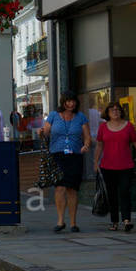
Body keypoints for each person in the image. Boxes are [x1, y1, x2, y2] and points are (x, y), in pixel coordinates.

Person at [41, 91, 93, 232]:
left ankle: (73, 223)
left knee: (72, 189)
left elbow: (87, 136)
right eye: (68, 101)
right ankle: (60, 221)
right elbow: (46, 133)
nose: (71, 104)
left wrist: (86, 145)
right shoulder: (53, 116)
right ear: (63, 102)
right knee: (60, 188)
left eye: (73, 101)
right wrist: (43, 132)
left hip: (75, 156)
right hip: (57, 156)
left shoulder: (80, 117)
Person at [96, 101, 136, 232]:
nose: (115, 111)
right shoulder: (103, 127)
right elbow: (99, 145)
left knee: (125, 192)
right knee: (112, 195)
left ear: (121, 111)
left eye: (117, 109)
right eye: (112, 109)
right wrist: (95, 161)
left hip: (126, 166)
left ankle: (126, 220)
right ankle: (114, 221)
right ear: (107, 113)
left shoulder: (128, 126)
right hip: (107, 166)